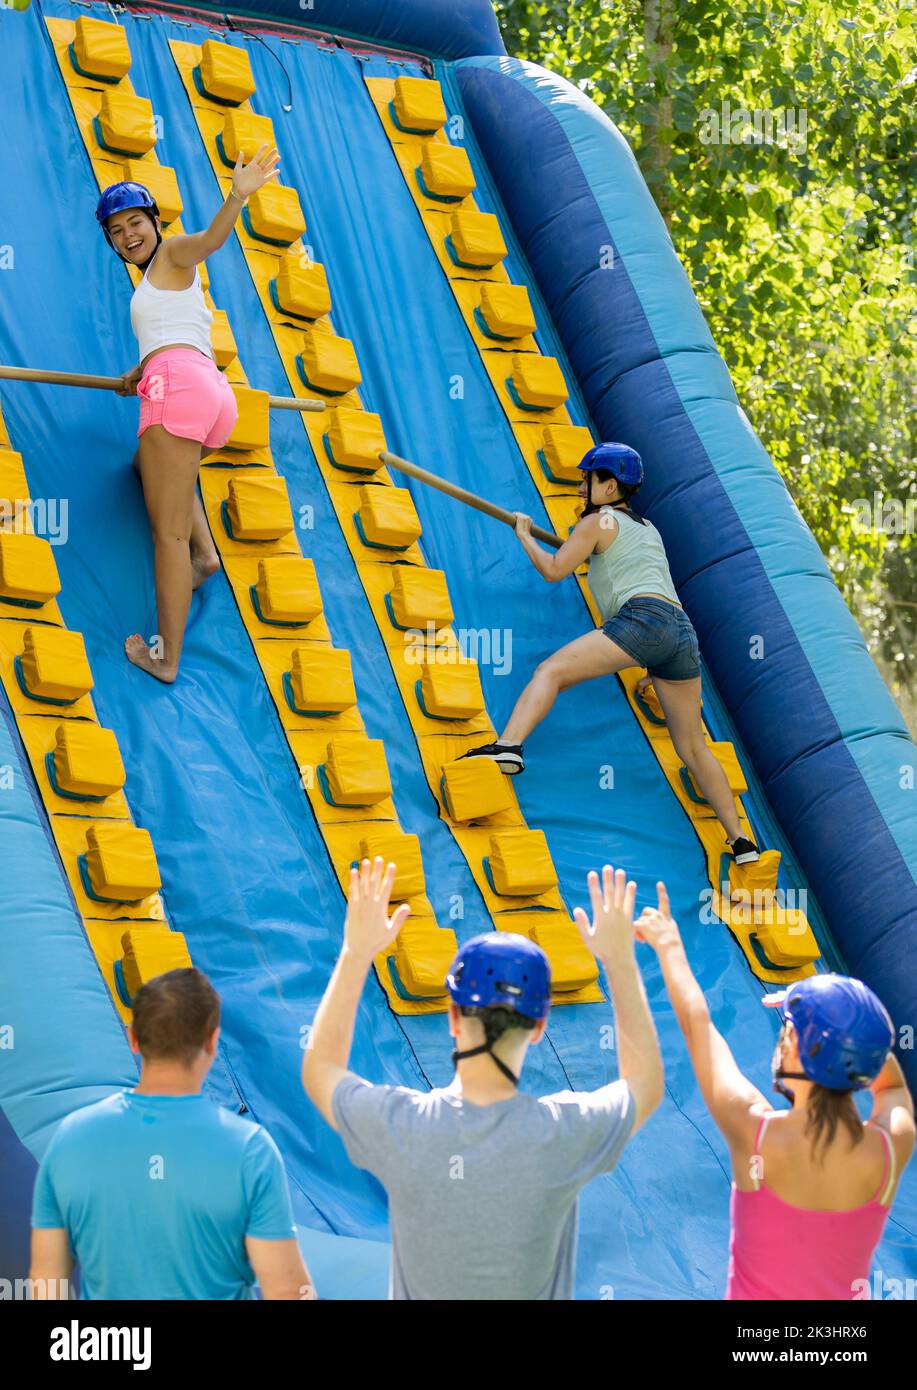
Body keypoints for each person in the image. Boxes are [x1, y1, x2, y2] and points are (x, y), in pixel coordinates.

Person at [302, 855, 663, 1300]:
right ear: (539, 1028)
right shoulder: (562, 1133)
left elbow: (320, 1069)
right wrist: (620, 962)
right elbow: (644, 1084)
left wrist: (356, 953)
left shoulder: (403, 1126)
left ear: (453, 1016)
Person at [463, 443, 760, 864]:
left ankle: (508, 744)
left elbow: (553, 570)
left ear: (611, 484)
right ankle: (740, 840)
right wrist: (652, 671)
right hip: (680, 633)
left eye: (589, 479)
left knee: (551, 671)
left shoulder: (596, 521)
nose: (582, 487)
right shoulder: (649, 528)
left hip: (643, 620)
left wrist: (525, 536)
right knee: (694, 746)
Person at [636, 881, 915, 1300]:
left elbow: (698, 1025)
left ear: (796, 1050)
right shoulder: (892, 1144)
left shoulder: (755, 1133)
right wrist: (836, 1015)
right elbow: (888, 1078)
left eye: (786, 1031)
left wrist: (669, 945)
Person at [97, 144, 279, 682]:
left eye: (136, 222)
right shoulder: (159, 278)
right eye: (116, 231)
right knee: (145, 468)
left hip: (179, 390)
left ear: (155, 222)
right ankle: (204, 558)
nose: (128, 235)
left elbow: (210, 241)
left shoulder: (174, 252)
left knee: (165, 534)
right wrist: (143, 370)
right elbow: (175, 337)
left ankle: (167, 657)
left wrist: (236, 198)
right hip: (205, 391)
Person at [30, 967, 312, 1300]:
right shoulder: (249, 1149)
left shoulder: (70, 1140)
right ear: (212, 1041)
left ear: (133, 1038)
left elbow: (47, 1284)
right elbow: (287, 1291)